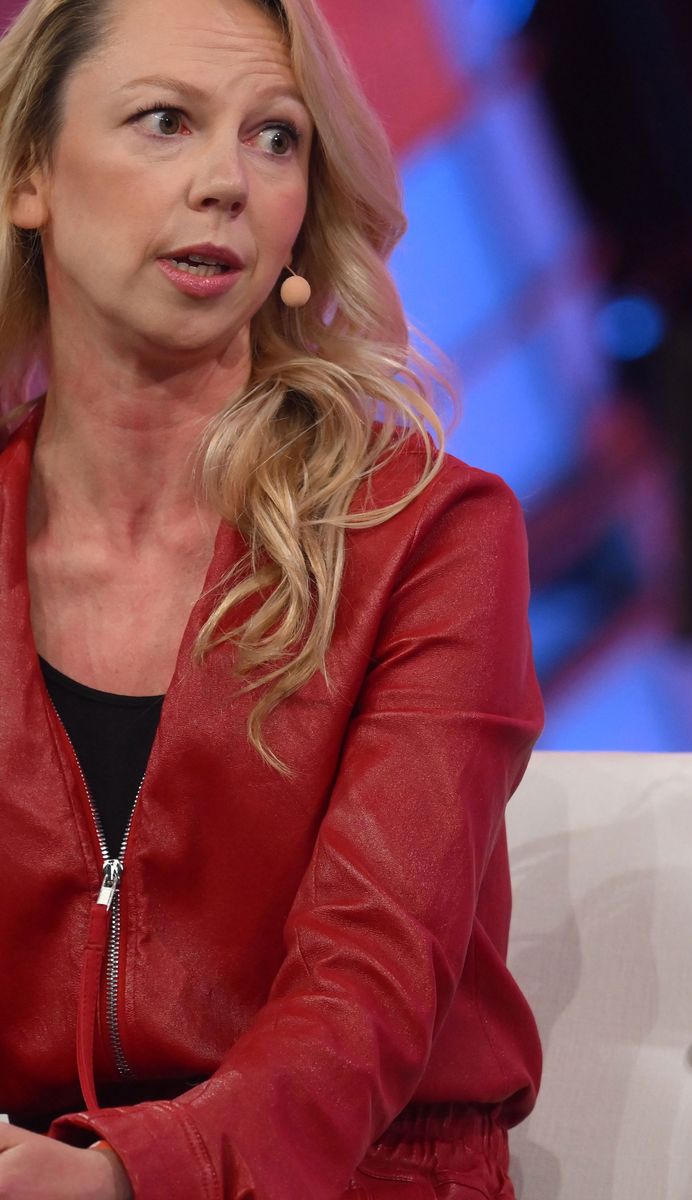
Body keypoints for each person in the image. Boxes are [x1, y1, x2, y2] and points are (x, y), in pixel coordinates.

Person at [0, 0, 545, 1196]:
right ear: (30, 175)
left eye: (276, 137)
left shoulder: (429, 538)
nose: (227, 183)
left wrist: (127, 1178)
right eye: (165, 122)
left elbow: (369, 986)